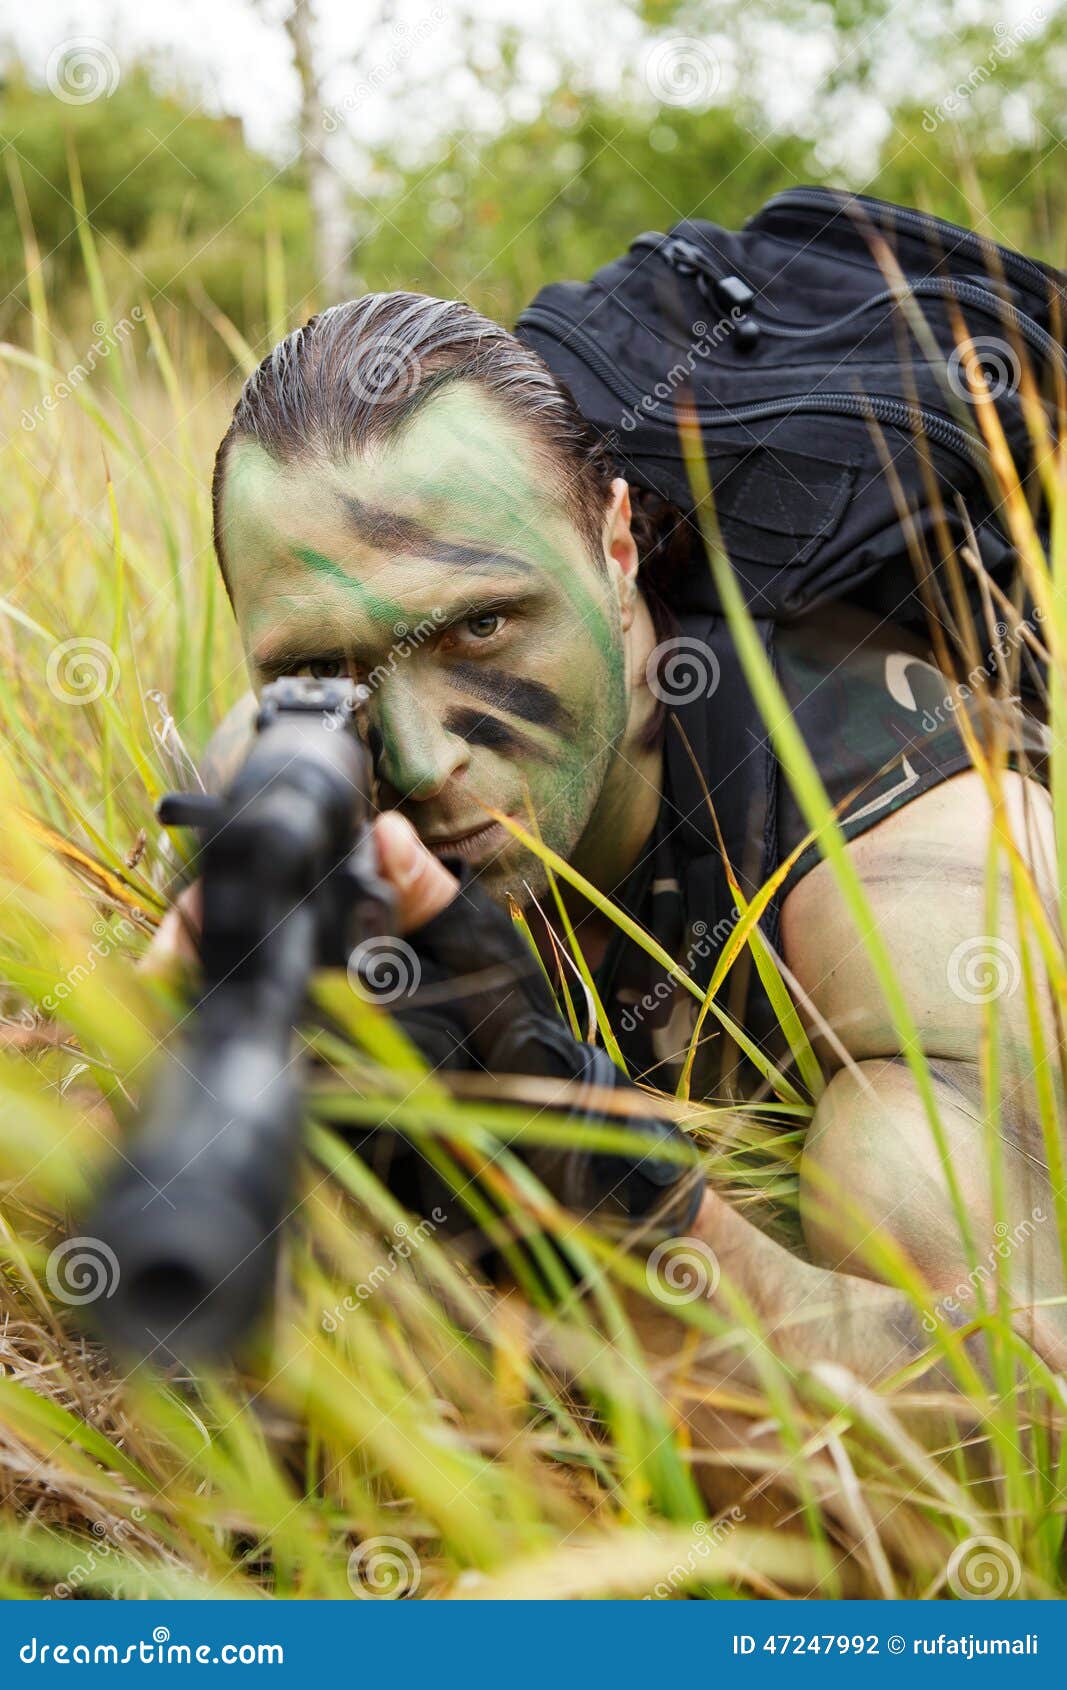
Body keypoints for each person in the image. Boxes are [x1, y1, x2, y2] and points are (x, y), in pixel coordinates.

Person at [154, 291, 1063, 1512]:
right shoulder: (316, 771)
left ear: (616, 547)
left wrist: (590, 1179)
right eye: (321, 671)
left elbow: (1011, 1447)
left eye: (479, 626)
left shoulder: (908, 855)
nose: (423, 765)